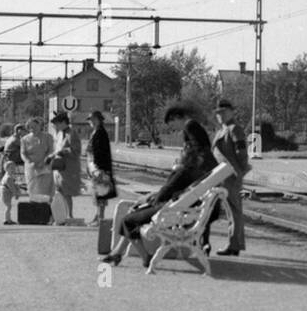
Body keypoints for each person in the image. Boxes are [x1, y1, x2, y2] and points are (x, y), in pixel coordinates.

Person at [102, 106, 212, 268]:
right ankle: (118, 254)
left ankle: (142, 256)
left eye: (172, 124)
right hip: (180, 208)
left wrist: (153, 197)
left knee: (130, 218)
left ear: (176, 117)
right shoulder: (197, 171)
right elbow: (174, 188)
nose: (174, 129)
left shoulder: (188, 166)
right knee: (135, 213)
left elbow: (169, 191)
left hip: (170, 211)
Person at [211, 99, 250, 256]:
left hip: (231, 176)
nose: (220, 115)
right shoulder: (222, 130)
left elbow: (242, 153)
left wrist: (238, 172)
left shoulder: (235, 129)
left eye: (223, 112)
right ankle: (234, 244)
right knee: (230, 211)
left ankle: (235, 245)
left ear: (231, 112)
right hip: (222, 175)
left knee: (234, 211)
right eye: (218, 113)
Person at [50, 112, 83, 224]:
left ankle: (70, 215)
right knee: (59, 191)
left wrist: (63, 151)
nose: (55, 126)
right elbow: (56, 149)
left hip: (69, 167)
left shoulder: (72, 134)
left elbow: (76, 151)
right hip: (59, 168)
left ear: (63, 122)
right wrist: (51, 156)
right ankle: (60, 215)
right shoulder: (59, 134)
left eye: (57, 124)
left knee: (67, 192)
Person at [86, 111, 117, 225]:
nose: (91, 121)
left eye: (94, 119)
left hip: (100, 167)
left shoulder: (101, 132)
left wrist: (99, 168)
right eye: (90, 119)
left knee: (101, 193)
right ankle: (97, 215)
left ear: (99, 120)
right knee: (96, 192)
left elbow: (100, 152)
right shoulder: (95, 132)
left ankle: (101, 218)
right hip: (94, 166)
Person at [20, 117, 54, 199]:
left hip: (45, 166)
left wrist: (44, 161)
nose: (33, 128)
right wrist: (28, 162)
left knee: (45, 191)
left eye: (35, 126)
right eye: (31, 127)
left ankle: (46, 209)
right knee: (33, 190)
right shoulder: (24, 139)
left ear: (40, 126)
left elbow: (51, 151)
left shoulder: (48, 137)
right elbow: (23, 153)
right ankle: (34, 207)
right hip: (31, 168)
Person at [0, 158, 21, 225]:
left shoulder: (8, 176)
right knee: (8, 206)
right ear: (6, 169)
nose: (13, 169)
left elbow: (13, 185)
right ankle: (6, 220)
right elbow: (11, 187)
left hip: (6, 194)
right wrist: (16, 194)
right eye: (11, 168)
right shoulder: (8, 178)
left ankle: (8, 219)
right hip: (5, 194)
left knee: (9, 206)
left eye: (14, 168)